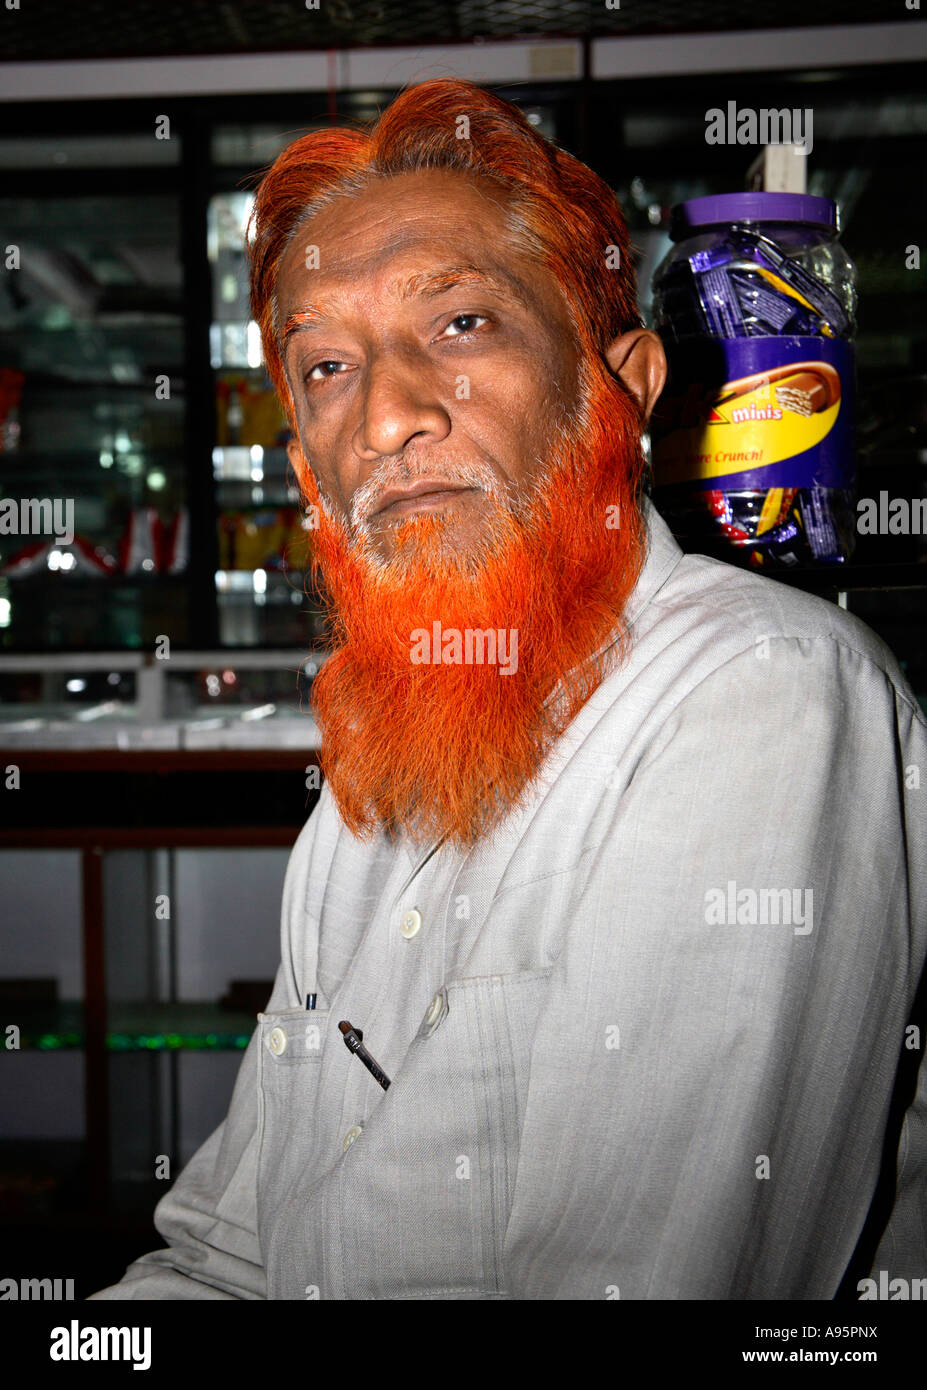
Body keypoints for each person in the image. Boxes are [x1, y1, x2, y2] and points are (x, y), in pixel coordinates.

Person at [89, 78, 927, 1300]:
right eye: (327, 364)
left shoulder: (764, 693)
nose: (385, 415)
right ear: (301, 469)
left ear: (623, 389)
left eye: (464, 324)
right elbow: (226, 1255)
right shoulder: (376, 775)